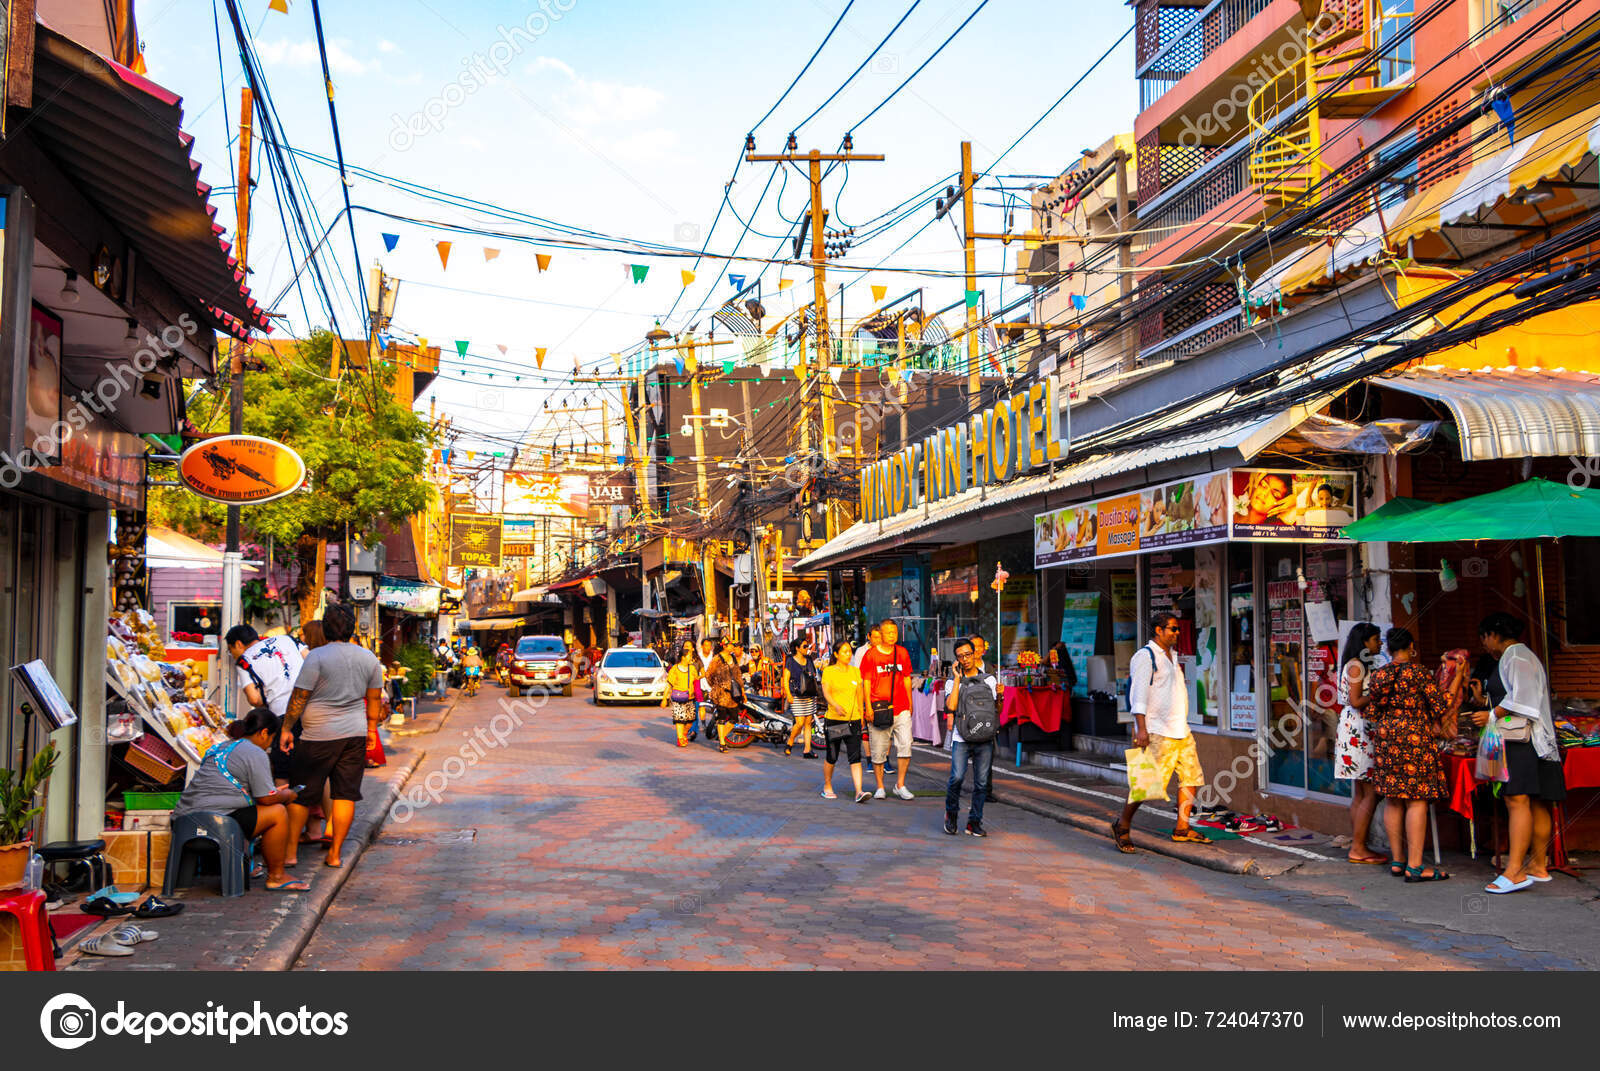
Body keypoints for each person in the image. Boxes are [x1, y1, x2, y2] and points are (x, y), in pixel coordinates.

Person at [280, 603, 385, 870]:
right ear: (351, 629)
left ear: (325, 628)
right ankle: (335, 853)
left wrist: (286, 728)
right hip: (354, 733)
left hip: (317, 734)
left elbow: (299, 696)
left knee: (303, 793)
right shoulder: (369, 659)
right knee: (345, 795)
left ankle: (290, 854)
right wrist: (371, 730)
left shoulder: (316, 657)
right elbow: (373, 699)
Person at [1467, 613, 1566, 894]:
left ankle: (1515, 872)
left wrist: (1490, 714)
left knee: (1517, 800)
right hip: (1533, 741)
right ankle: (1537, 865)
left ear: (1493, 635)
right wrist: (1484, 701)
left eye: (1484, 638)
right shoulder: (1517, 657)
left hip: (1524, 740)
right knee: (1536, 802)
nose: (1485, 645)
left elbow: (1523, 700)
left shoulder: (1516, 657)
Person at [1366, 626, 1463, 883]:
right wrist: (1458, 675)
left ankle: (1398, 861)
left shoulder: (1379, 676)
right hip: (1415, 739)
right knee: (1416, 800)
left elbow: (1372, 713)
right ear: (1410, 648)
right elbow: (1442, 704)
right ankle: (1416, 866)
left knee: (1393, 799)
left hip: (1387, 740)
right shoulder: (1418, 673)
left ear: (1388, 649)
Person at [173, 707, 307, 892]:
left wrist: (272, 792)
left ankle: (247, 867)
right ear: (264, 733)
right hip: (217, 823)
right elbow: (267, 800)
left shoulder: (219, 746)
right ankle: (277, 876)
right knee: (278, 812)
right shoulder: (255, 752)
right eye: (270, 739)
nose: (269, 745)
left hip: (183, 821)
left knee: (252, 813)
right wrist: (287, 795)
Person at [1111, 613, 1211, 853]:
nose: (1177, 633)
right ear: (1158, 630)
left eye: (1178, 629)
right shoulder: (1145, 657)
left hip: (1181, 729)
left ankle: (1182, 828)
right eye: (1173, 629)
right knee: (1145, 785)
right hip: (1156, 730)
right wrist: (1141, 728)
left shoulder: (1172, 656)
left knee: (1191, 777)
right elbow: (1138, 695)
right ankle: (1122, 825)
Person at [1334, 623, 1386, 864]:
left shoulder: (1355, 664)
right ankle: (1358, 847)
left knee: (1361, 792)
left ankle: (1359, 844)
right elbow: (1356, 700)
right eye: (1376, 639)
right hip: (1360, 729)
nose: (1380, 644)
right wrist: (1379, 694)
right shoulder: (1356, 665)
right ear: (1365, 642)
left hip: (1355, 728)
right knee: (1371, 792)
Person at [944, 637, 998, 837]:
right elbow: (951, 706)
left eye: (968, 654)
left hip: (984, 737)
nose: (965, 659)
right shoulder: (951, 682)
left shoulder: (989, 680)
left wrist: (999, 696)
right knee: (956, 777)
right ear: (956, 660)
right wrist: (957, 678)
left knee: (981, 783)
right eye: (960, 656)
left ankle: (974, 822)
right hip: (961, 736)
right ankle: (951, 814)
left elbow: (993, 710)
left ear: (976, 653)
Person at [859, 619, 915, 800]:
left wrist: (910, 701)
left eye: (895, 632)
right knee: (878, 749)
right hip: (879, 709)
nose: (893, 635)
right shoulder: (871, 655)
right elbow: (865, 683)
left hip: (901, 708)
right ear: (881, 634)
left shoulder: (902, 653)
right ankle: (880, 786)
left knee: (905, 744)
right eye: (889, 632)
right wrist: (867, 707)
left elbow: (907, 678)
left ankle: (900, 784)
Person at [820, 640, 869, 803]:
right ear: (836, 654)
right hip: (835, 720)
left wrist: (862, 715)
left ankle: (859, 791)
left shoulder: (855, 672)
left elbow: (859, 694)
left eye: (850, 651)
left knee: (855, 756)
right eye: (845, 651)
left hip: (853, 720)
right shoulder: (829, 671)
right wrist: (835, 705)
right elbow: (826, 692)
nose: (849, 654)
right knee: (832, 755)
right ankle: (827, 786)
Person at [226, 625, 305, 720]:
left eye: (230, 650)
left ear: (238, 644)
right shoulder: (288, 639)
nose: (233, 655)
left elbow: (254, 699)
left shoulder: (244, 661)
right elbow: (310, 660)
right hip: (310, 706)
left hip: (282, 713)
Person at [704, 641, 746, 753]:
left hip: (733, 694)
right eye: (731, 645)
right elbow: (708, 675)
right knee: (721, 718)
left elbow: (738, 674)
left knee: (733, 719)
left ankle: (721, 735)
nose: (733, 647)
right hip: (721, 694)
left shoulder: (733, 657)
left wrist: (742, 691)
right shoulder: (716, 659)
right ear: (725, 646)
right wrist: (716, 686)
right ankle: (722, 743)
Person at [783, 637, 820, 759]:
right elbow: (786, 679)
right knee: (799, 723)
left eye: (807, 646)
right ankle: (790, 741)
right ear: (797, 648)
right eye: (804, 646)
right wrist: (788, 694)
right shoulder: (790, 660)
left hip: (809, 694)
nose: (807, 649)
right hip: (796, 694)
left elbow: (813, 675)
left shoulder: (809, 659)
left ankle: (807, 750)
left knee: (808, 723)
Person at [666, 644, 698, 747]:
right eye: (689, 656)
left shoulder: (692, 668)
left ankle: (684, 733)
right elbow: (669, 684)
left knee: (690, 721)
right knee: (680, 719)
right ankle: (680, 738)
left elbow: (696, 681)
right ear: (683, 657)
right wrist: (664, 698)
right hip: (678, 697)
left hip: (690, 697)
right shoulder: (674, 669)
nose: (691, 658)